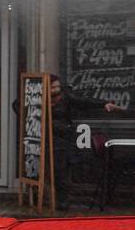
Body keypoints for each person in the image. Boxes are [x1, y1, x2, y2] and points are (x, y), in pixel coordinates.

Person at [47, 74, 124, 208]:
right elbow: (18, 105)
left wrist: (103, 104)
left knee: (61, 169)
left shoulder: (65, 96)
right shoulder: (38, 98)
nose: (57, 89)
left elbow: (83, 101)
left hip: (62, 138)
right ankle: (50, 198)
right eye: (53, 87)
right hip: (45, 138)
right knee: (51, 170)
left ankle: (62, 201)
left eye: (58, 86)